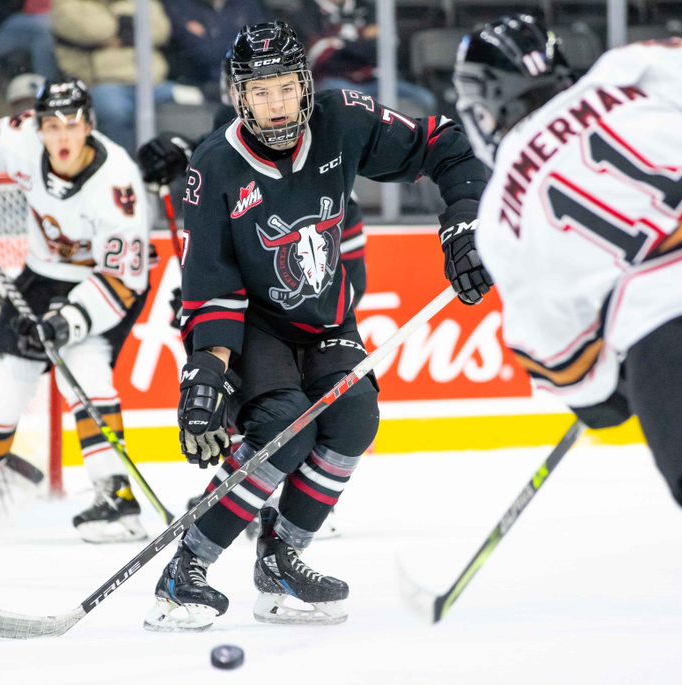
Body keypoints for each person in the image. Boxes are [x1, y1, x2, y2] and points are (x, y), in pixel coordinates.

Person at [455, 14, 682, 680]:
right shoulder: (635, 68)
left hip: (678, 307)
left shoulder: (501, 207)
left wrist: (607, 391)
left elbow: (573, 375)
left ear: (480, 103)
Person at [142, 20, 490, 632]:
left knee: (355, 416)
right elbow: (212, 284)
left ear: (304, 86)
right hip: (256, 325)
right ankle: (186, 568)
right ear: (238, 95)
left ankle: (281, 561)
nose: (275, 107)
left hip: (326, 316)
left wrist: (463, 223)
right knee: (285, 427)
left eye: (284, 89)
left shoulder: (342, 119)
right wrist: (206, 374)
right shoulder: (215, 165)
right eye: (260, 92)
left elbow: (447, 146)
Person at [0, 80, 153, 543]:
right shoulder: (22, 135)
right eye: (51, 126)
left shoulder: (119, 182)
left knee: (88, 376)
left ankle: (115, 494)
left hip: (103, 289)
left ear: (89, 126)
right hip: (41, 276)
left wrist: (68, 322)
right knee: (3, 387)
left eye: (71, 126)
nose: (61, 137)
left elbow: (124, 279)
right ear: (38, 125)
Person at [52, 0, 176, 153]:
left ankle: (178, 169)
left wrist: (118, 29)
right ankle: (126, 167)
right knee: (114, 111)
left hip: (153, 82)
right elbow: (91, 31)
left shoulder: (141, 2)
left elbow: (162, 30)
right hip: (103, 83)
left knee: (191, 102)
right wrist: (132, 27)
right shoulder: (69, 4)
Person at [296, 0, 437, 113]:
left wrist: (341, 42)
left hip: (373, 79)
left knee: (426, 99)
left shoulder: (367, 8)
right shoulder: (306, 11)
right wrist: (362, 35)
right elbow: (319, 53)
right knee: (361, 108)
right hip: (334, 79)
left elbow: (384, 50)